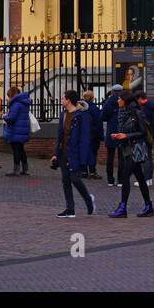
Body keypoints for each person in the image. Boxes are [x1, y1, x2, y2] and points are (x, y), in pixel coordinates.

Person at [107, 91, 153, 218]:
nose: (117, 101)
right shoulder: (123, 113)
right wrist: (119, 135)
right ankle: (149, 206)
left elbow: (143, 132)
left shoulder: (137, 113)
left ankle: (123, 208)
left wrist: (126, 136)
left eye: (119, 99)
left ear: (125, 100)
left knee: (125, 175)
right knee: (140, 177)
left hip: (135, 149)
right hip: (127, 148)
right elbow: (125, 130)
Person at [53, 89, 95, 218]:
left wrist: (83, 159)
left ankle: (88, 199)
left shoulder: (82, 116)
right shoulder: (63, 114)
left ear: (68, 100)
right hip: (63, 152)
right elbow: (60, 135)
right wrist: (56, 153)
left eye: (63, 98)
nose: (61, 100)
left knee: (75, 178)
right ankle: (70, 209)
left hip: (75, 152)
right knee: (65, 180)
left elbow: (84, 138)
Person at [2, 85, 31, 176]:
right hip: (22, 129)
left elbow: (11, 119)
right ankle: (25, 169)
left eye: (9, 96)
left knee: (16, 150)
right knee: (21, 149)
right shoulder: (23, 102)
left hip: (16, 130)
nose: (8, 98)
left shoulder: (16, 104)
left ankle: (16, 170)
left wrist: (5, 116)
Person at [136, 90, 154, 186]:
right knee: (149, 157)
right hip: (151, 134)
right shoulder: (153, 106)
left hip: (145, 134)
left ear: (140, 99)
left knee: (145, 157)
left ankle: (146, 179)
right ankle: (149, 178)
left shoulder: (144, 109)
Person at [101, 84, 122, 186]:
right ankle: (121, 180)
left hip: (111, 131)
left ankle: (110, 180)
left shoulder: (108, 103)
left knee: (110, 157)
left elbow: (103, 117)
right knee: (122, 157)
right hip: (122, 131)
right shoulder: (124, 101)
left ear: (112, 91)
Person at [81, 89, 104, 179]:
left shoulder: (80, 108)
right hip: (93, 134)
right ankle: (92, 171)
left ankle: (83, 171)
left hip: (83, 134)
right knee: (93, 153)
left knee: (84, 152)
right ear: (92, 98)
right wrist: (101, 136)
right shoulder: (95, 109)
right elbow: (99, 123)